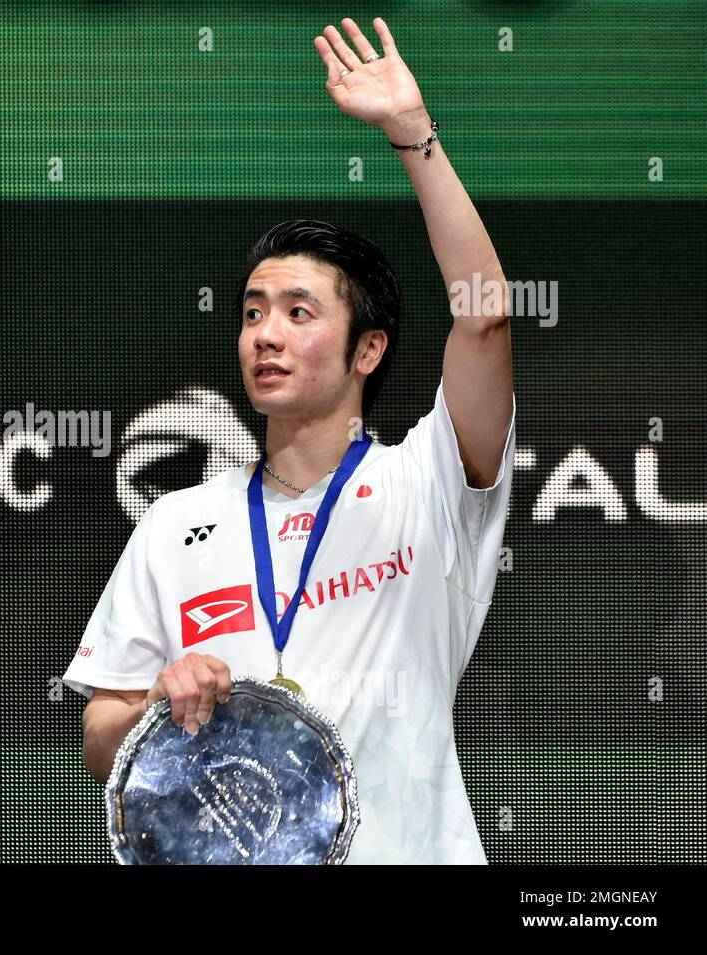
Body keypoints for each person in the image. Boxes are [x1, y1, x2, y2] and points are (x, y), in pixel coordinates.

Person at [64, 17, 516, 864]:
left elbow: (484, 314)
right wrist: (156, 704)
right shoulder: (176, 522)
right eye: (252, 312)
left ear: (368, 348)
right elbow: (100, 740)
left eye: (299, 313)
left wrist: (412, 135)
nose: (264, 334)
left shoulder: (428, 482)